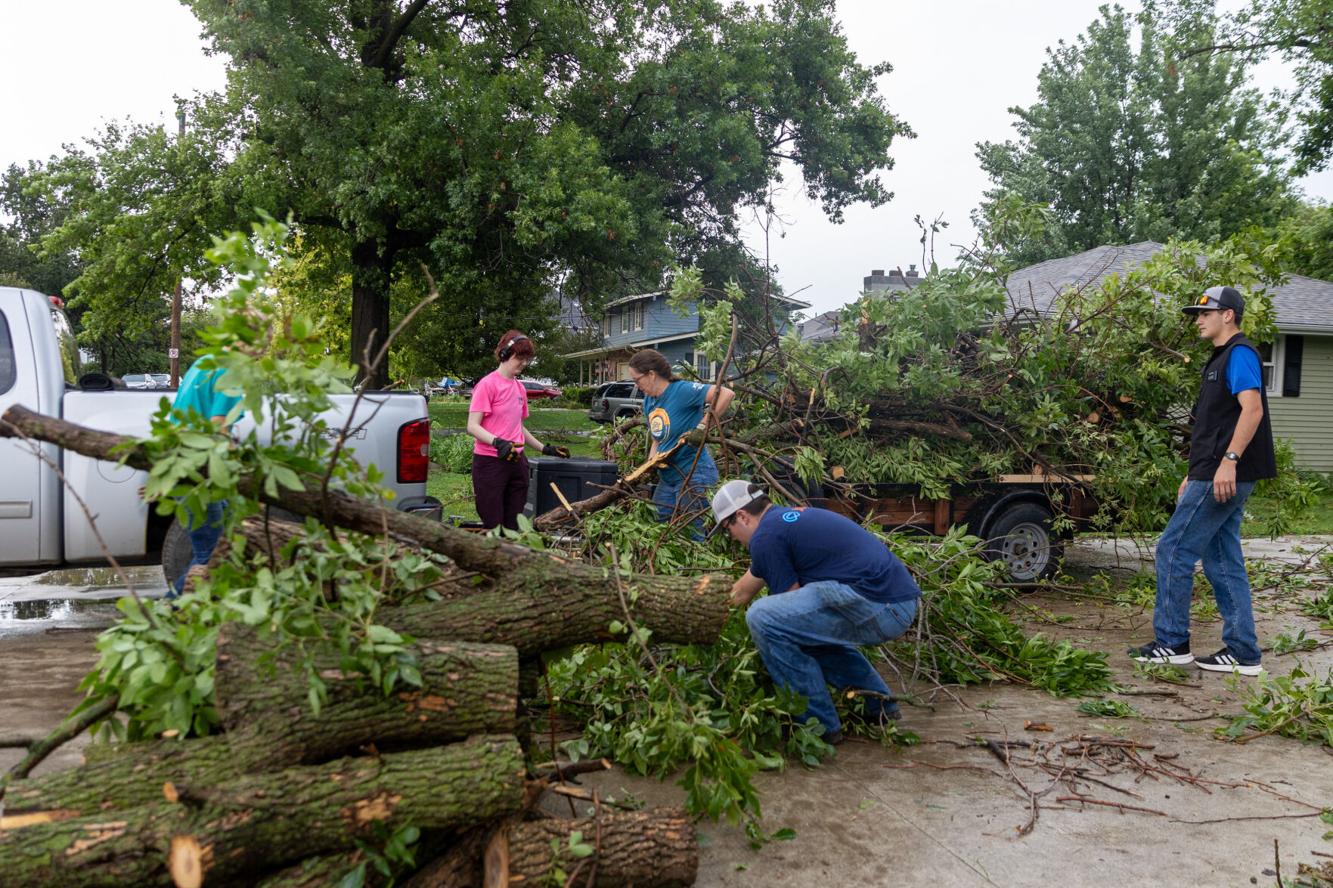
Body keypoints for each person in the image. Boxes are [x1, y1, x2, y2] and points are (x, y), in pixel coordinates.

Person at [1131, 285, 1276, 676]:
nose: (1198, 320)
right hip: (1211, 473)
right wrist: (1191, 474)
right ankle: (1244, 653)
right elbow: (1214, 425)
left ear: (1228, 315)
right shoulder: (1220, 359)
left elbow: (1252, 410)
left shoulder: (1240, 354)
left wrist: (1229, 462)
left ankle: (1172, 643)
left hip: (1224, 474)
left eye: (1204, 313)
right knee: (1222, 560)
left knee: (1173, 550)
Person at [714, 480, 921, 744]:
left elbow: (785, 607)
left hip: (879, 606)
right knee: (798, 628)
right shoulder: (782, 523)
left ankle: (817, 725)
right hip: (897, 604)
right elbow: (742, 592)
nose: (730, 537)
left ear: (741, 516)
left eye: (726, 528)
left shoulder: (767, 536)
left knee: (764, 618)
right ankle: (879, 706)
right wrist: (702, 611)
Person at [466, 330, 569, 530]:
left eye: (526, 359)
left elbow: (518, 426)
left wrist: (545, 449)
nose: (523, 363)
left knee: (514, 523)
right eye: (519, 358)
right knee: (493, 523)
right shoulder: (487, 385)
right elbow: (472, 426)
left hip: (516, 461)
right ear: (504, 354)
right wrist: (498, 442)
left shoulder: (519, 388)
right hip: (490, 463)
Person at [627, 349, 733, 536]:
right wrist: (650, 464)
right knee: (658, 530)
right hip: (668, 478)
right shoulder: (649, 401)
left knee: (691, 533)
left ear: (651, 375)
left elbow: (726, 393)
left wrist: (702, 427)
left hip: (694, 474)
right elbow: (657, 438)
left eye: (637, 380)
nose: (637, 385)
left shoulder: (682, 390)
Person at [167, 355, 242, 597]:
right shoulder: (230, 371)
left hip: (185, 463)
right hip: (200, 472)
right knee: (211, 554)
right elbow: (219, 425)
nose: (261, 354)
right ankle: (166, 609)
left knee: (226, 540)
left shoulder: (205, 363)